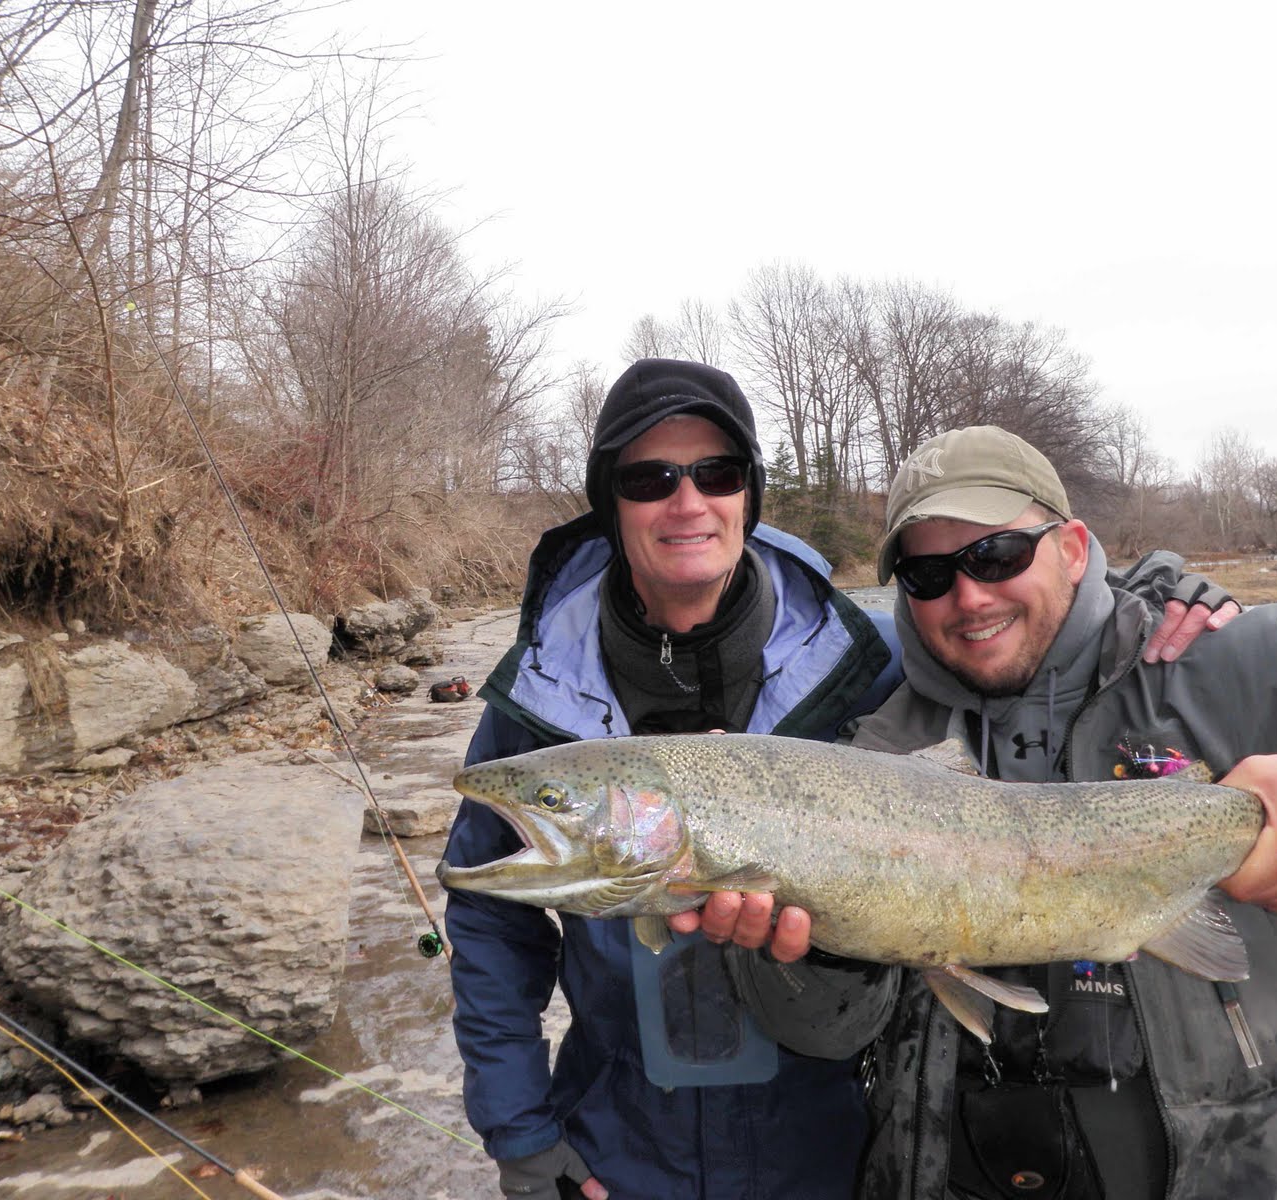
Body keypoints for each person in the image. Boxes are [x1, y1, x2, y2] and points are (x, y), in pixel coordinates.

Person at [442, 366, 1232, 1200]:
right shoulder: (537, 694)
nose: (687, 503)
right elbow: (491, 931)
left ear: (749, 494)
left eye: (717, 473)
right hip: (619, 1140)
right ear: (610, 503)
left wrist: (1154, 597)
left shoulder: (870, 662)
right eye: (648, 480)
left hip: (833, 1147)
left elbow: (1015, 647)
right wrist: (521, 1135)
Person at [688, 424, 1277, 1200]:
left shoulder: (1245, 665)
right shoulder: (876, 755)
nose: (968, 596)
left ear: (1074, 549)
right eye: (929, 575)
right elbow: (829, 1035)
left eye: (998, 553)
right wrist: (811, 951)